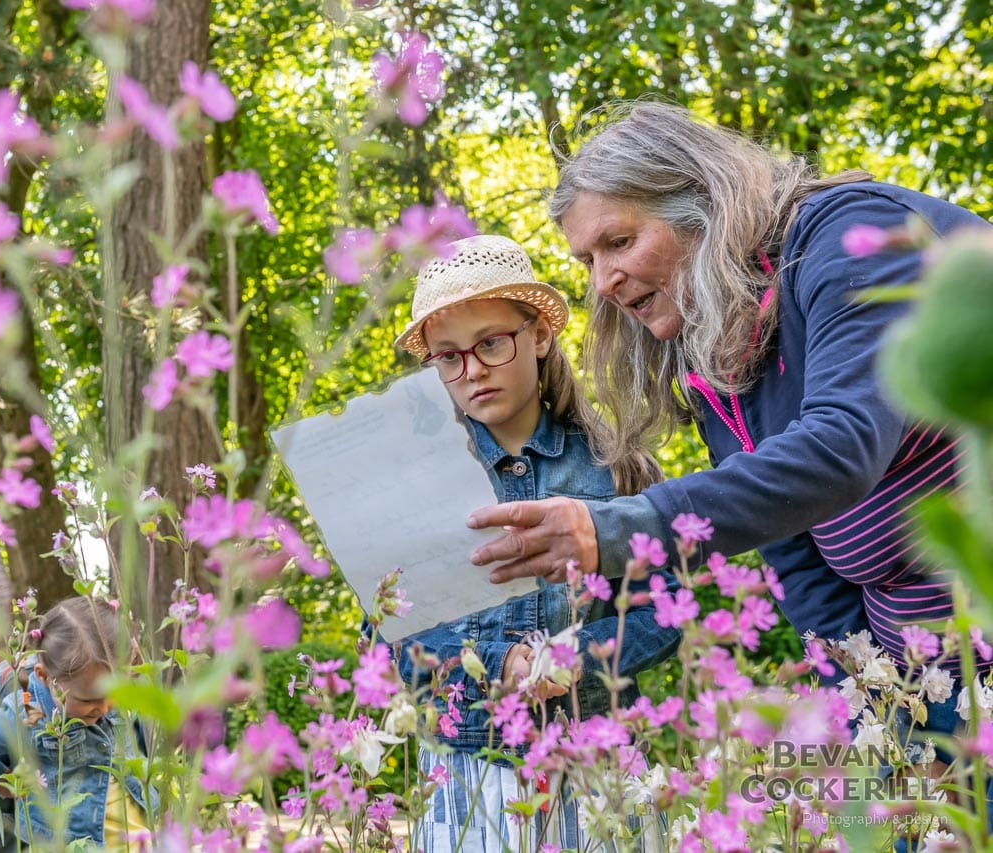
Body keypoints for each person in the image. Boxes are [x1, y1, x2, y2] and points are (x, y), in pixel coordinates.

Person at [465, 102, 992, 813]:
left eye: (618, 240)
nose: (603, 282)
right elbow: (800, 551)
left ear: (703, 204)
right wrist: (875, 713)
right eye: (587, 261)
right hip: (925, 674)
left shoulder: (846, 241)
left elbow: (842, 447)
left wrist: (621, 528)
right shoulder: (714, 351)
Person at [391, 234, 682, 851]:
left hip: (596, 767)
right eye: (447, 357)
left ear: (541, 335)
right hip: (467, 774)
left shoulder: (617, 466)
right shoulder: (414, 486)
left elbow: (668, 613)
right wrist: (505, 664)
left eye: (491, 343)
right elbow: (396, 638)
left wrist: (578, 657)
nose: (470, 371)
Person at [0, 596, 149, 849]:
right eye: (89, 699)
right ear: (45, 676)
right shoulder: (28, 712)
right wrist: (4, 783)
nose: (105, 708)